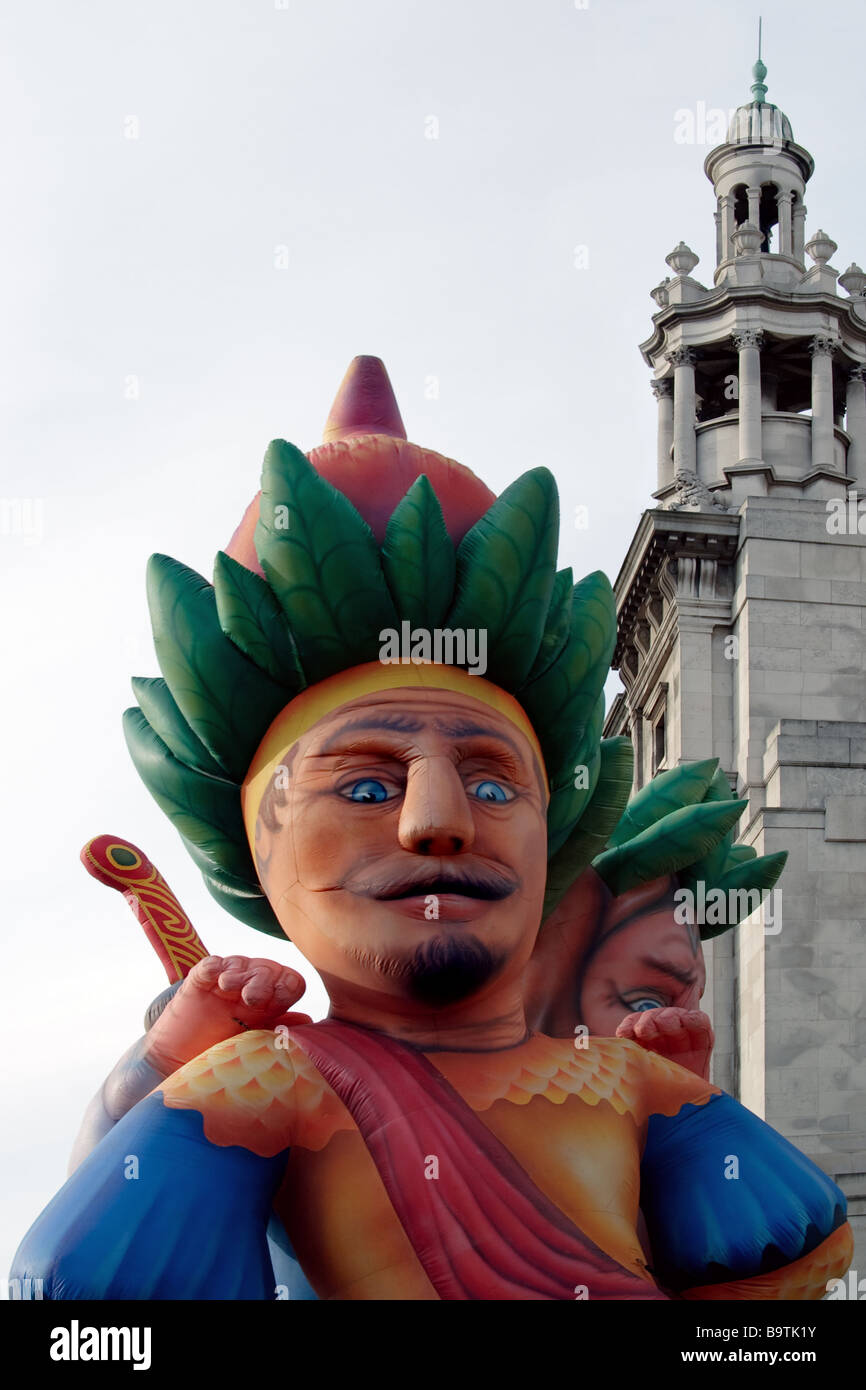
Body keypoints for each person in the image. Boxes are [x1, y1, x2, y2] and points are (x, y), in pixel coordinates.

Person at [11, 360, 853, 1300]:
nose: (439, 822)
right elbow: (93, 1300)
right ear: (257, 843)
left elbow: (775, 1310)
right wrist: (169, 1058)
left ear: (553, 832)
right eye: (367, 787)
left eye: (495, 787)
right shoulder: (267, 1085)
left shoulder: (633, 1088)